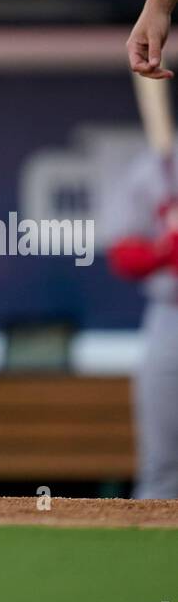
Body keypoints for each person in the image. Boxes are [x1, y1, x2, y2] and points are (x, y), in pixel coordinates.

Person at [104, 151, 178, 499]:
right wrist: (163, 250)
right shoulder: (157, 166)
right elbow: (123, 254)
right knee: (162, 465)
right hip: (171, 315)